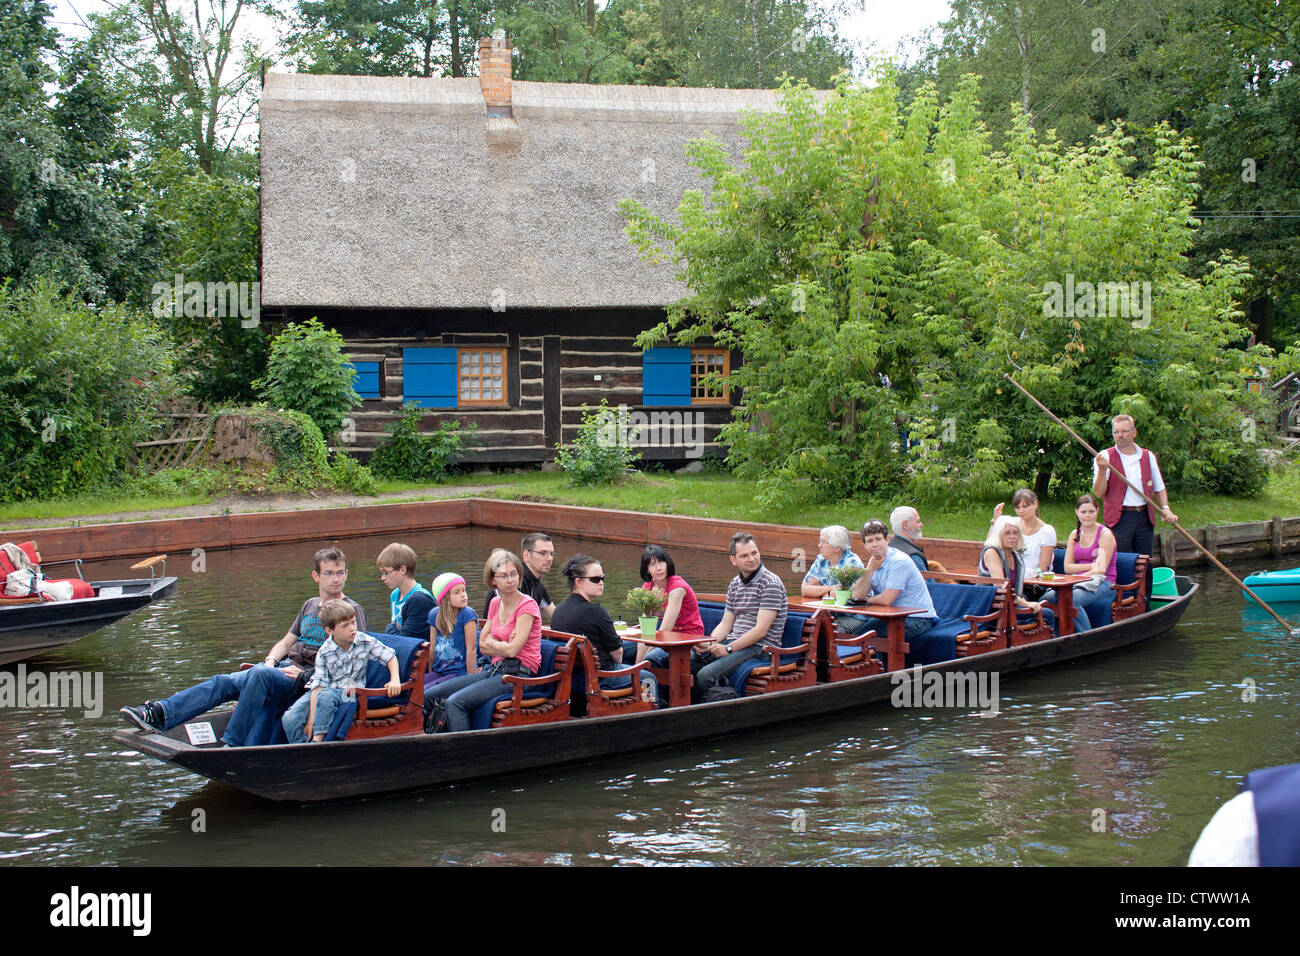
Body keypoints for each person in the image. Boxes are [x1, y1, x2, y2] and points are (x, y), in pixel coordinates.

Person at [120, 546, 368, 747]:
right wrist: (271, 660)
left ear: (346, 574)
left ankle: (233, 744)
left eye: (340, 573)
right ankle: (159, 714)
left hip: (306, 682)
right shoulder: (310, 604)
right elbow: (287, 641)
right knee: (223, 681)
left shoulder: (352, 611)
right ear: (316, 576)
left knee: (258, 674)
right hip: (279, 669)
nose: (336, 579)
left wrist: (305, 674)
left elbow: (353, 662)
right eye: (329, 573)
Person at [426, 549, 542, 732]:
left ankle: (467, 755)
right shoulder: (495, 603)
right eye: (503, 576)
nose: (510, 580)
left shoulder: (527, 605)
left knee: (455, 702)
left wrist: (494, 644)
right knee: (429, 694)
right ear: (493, 579)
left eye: (513, 574)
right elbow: (482, 645)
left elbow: (512, 651)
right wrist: (501, 645)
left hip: (518, 676)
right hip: (495, 670)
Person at [281, 600, 401, 743]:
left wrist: (395, 679)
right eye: (345, 626)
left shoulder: (364, 641)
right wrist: (311, 721)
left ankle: (318, 741)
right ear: (330, 631)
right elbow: (317, 687)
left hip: (349, 693)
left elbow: (390, 656)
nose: (352, 629)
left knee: (327, 696)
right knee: (290, 718)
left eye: (353, 622)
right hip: (324, 691)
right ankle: (304, 751)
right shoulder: (325, 652)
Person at [551, 554, 656, 702]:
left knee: (631, 647)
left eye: (602, 578)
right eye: (595, 579)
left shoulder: (559, 610)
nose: (601, 583)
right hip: (600, 677)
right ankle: (652, 715)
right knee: (648, 677)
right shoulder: (596, 611)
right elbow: (618, 655)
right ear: (578, 581)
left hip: (571, 675)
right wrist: (628, 668)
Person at [694, 533, 788, 692]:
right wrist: (710, 643)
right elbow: (725, 623)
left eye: (754, 553)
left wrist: (728, 648)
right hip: (735, 643)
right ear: (733, 560)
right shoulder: (735, 584)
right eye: (744, 555)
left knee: (706, 676)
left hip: (759, 649)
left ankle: (719, 711)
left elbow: (760, 631)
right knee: (686, 663)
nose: (752, 559)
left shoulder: (770, 583)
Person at [837, 520, 939, 646]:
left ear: (887, 540)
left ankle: (882, 665)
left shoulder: (899, 561)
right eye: (870, 541)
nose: (875, 544)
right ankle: (878, 665)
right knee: (858, 636)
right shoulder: (873, 561)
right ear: (865, 545)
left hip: (918, 618)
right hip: (891, 617)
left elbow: (887, 599)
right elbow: (857, 595)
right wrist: (869, 570)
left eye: (878, 539)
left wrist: (866, 600)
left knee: (863, 639)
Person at [1091, 414, 1178, 555]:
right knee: (1120, 561)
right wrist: (1102, 470)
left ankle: (1144, 578)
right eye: (1116, 432)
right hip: (1119, 518)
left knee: (1144, 562)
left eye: (1124, 431)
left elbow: (1159, 487)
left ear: (1134, 432)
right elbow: (1099, 493)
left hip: (1144, 517)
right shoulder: (1105, 457)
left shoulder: (1147, 456)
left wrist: (1165, 508)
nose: (1120, 435)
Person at [978, 517, 1059, 633]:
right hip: (991, 608)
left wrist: (1024, 603)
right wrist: (1026, 603)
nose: (1012, 536)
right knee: (1047, 614)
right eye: (1007, 533)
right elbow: (1001, 587)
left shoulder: (1015, 555)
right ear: (998, 535)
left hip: (1009, 605)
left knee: (1044, 609)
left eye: (1015, 533)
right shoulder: (992, 553)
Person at [635, 546, 705, 669]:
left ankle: (641, 677)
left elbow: (665, 628)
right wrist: (636, 667)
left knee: (651, 657)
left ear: (667, 563)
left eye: (661, 562)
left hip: (687, 640)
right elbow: (646, 629)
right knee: (624, 646)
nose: (659, 568)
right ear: (647, 569)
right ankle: (635, 678)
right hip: (665, 637)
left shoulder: (677, 587)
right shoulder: (647, 588)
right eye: (652, 564)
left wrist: (645, 659)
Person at [1060, 493, 1117, 630]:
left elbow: (1100, 569)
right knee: (1049, 597)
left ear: (1097, 511)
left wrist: (1078, 576)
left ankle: (1086, 636)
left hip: (1103, 581)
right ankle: (1059, 634)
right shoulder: (1075, 534)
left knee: (1072, 600)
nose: (1087, 515)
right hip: (1078, 580)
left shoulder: (1105, 535)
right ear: (1077, 512)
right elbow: (1067, 567)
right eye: (1083, 512)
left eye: (1091, 511)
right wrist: (1090, 566)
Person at [482, 532, 556, 623]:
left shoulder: (538, 585)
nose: (550, 559)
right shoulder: (512, 583)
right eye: (543, 553)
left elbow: (556, 619)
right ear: (526, 555)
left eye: (551, 554)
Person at [425, 572, 479, 689]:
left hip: (459, 673)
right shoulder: (434, 615)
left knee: (425, 692)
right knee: (413, 688)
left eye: (464, 590)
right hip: (440, 670)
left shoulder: (467, 614)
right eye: (457, 592)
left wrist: (471, 682)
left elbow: (471, 649)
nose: (463, 595)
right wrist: (430, 672)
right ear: (445, 598)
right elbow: (432, 647)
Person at [991, 489, 1056, 577]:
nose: (1021, 511)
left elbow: (1044, 568)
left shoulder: (1047, 531)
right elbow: (990, 544)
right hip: (1011, 577)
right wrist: (995, 522)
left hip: (1035, 581)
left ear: (1035, 504)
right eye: (1017, 507)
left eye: (1025, 506)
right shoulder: (1013, 524)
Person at [377, 542, 436, 639]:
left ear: (402, 569)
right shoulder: (395, 594)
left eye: (386, 572)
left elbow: (404, 640)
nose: (382, 578)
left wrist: (388, 628)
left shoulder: (420, 600)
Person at [799, 525, 863, 598]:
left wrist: (819, 591)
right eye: (820, 541)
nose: (819, 545)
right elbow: (804, 590)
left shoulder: (852, 562)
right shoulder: (820, 560)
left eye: (824, 542)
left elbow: (846, 595)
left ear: (837, 548)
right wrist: (832, 588)